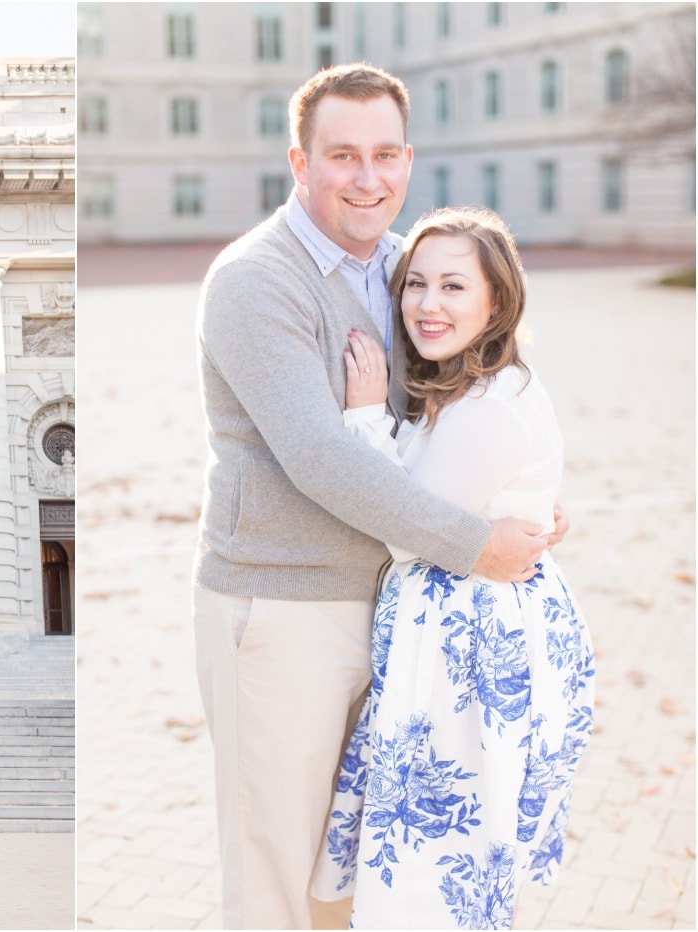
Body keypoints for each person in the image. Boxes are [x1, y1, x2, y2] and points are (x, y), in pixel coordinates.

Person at [193, 63, 567, 930]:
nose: (368, 179)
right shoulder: (256, 279)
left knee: (355, 875)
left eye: (385, 154)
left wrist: (526, 504)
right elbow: (322, 455)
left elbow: (471, 406)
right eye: (342, 156)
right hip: (285, 609)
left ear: (408, 159)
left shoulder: (410, 268)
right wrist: (475, 541)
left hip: (401, 613)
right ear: (300, 160)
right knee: (276, 871)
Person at [311, 207, 595, 928]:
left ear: (497, 300)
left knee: (442, 867)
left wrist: (367, 415)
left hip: (471, 652)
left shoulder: (491, 403)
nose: (428, 306)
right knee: (447, 859)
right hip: (468, 636)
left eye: (453, 288)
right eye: (416, 285)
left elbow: (410, 529)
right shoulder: (471, 387)